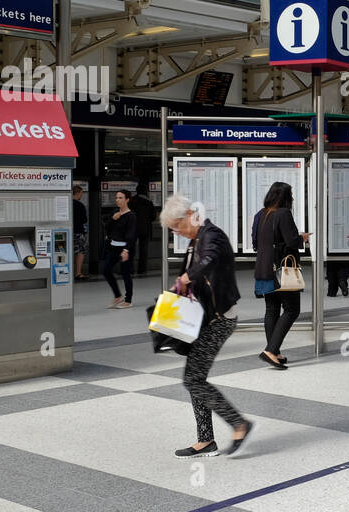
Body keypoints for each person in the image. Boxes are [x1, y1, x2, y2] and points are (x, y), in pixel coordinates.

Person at [162, 194, 252, 458]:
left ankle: (238, 424)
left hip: (219, 318)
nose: (177, 233)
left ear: (189, 215)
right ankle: (206, 440)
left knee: (193, 378)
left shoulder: (212, 235)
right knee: (194, 378)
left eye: (177, 227)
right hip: (204, 317)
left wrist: (185, 279)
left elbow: (209, 261)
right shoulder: (195, 240)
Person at [252, 182, 309, 370]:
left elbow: (255, 242)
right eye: (290, 194)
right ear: (283, 197)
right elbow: (292, 241)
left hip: (263, 267)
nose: (292, 198)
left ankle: (274, 352)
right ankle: (271, 350)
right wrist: (302, 238)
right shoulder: (283, 213)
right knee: (292, 309)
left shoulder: (260, 215)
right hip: (282, 270)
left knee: (272, 309)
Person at [102, 190, 137, 308]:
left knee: (125, 273)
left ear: (127, 200)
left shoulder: (131, 216)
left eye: (121, 198)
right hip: (113, 247)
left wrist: (126, 250)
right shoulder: (115, 212)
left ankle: (128, 300)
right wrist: (113, 219)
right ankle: (117, 296)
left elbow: (132, 235)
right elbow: (107, 227)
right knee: (105, 270)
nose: (117, 200)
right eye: (117, 197)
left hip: (124, 249)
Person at [129, 187, 155, 276]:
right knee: (143, 249)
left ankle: (130, 269)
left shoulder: (131, 201)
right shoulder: (149, 202)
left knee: (131, 249)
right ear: (145, 192)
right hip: (145, 229)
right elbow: (153, 216)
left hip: (133, 228)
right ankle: (142, 269)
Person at [72, 184, 88, 281]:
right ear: (77, 193)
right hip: (78, 232)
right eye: (81, 193)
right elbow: (84, 220)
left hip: (69, 231)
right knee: (80, 251)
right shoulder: (80, 205)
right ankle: (78, 273)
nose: (81, 195)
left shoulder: (67, 203)